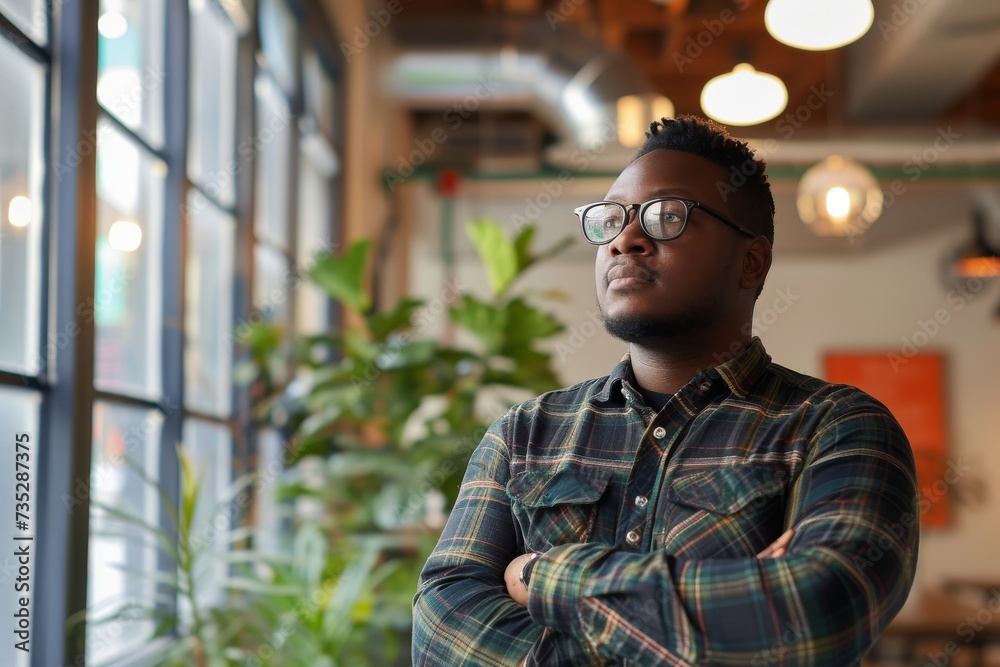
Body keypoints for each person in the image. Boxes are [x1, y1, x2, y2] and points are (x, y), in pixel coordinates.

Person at [411, 115, 919, 666]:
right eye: (610, 220)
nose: (625, 239)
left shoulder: (834, 427)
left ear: (751, 262)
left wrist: (540, 575)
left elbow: (820, 609)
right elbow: (442, 626)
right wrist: (724, 614)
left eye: (667, 216)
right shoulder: (525, 433)